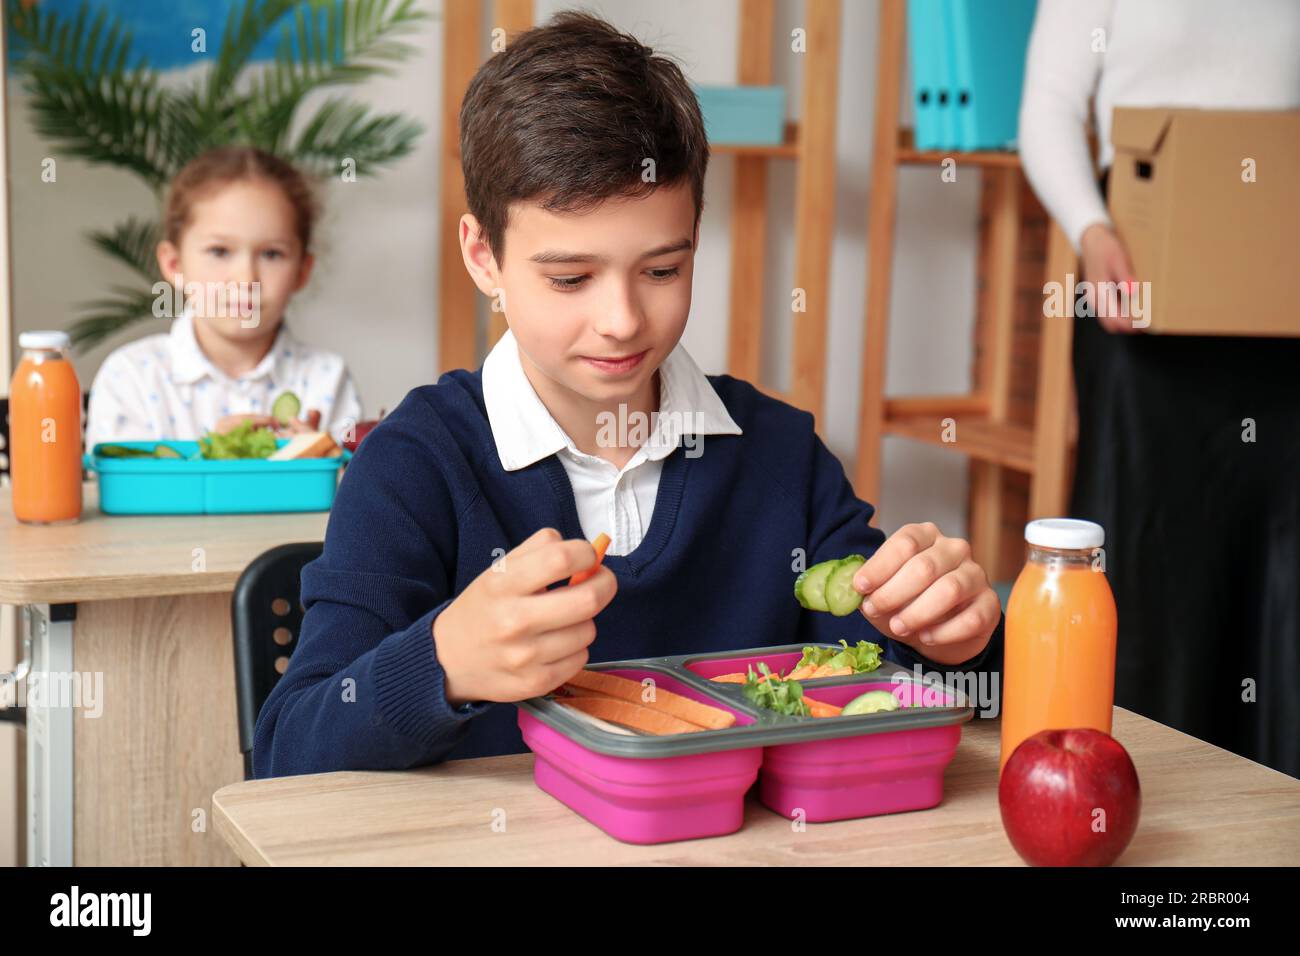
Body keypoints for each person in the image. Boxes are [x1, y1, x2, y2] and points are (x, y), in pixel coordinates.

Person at [253, 12, 1004, 777]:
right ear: (484, 257)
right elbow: (286, 755)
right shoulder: (414, 464)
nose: (621, 322)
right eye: (570, 278)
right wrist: (440, 662)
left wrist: (959, 639)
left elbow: (933, 697)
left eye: (661, 271)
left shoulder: (780, 456)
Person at [1019, 0, 1300, 776]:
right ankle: (1134, 786)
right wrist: (1092, 226)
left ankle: (1276, 806)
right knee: (1147, 554)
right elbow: (1046, 110)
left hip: (1279, 305)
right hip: (1139, 286)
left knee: (1280, 559)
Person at [85, 146, 363, 449]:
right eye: (219, 251)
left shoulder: (327, 379)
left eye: (272, 254)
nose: (245, 279)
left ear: (301, 271)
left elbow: (353, 492)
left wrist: (325, 464)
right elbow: (120, 493)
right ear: (174, 264)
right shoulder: (131, 378)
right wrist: (211, 456)